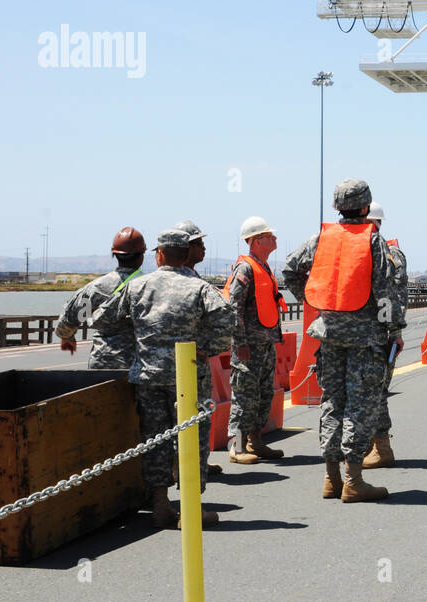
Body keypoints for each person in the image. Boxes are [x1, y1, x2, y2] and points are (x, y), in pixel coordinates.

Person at [92, 229, 234, 528]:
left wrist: (142, 338)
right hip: (189, 376)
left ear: (159, 254)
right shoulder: (200, 288)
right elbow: (226, 324)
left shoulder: (138, 285)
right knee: (192, 439)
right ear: (186, 254)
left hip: (148, 375)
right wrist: (201, 349)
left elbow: (102, 320)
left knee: (154, 439)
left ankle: (160, 504)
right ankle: (190, 511)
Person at [300, 179, 404, 502]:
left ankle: (331, 480)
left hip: (329, 334)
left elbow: (292, 269)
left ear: (337, 208)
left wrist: (318, 302)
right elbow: (386, 290)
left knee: (332, 402)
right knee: (360, 406)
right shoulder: (373, 240)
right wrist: (395, 330)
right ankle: (354, 481)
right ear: (365, 207)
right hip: (365, 338)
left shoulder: (323, 237)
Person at [224, 217, 287, 465]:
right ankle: (237, 448)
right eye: (269, 235)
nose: (274, 239)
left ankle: (255, 441)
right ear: (257, 240)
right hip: (248, 346)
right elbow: (234, 307)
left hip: (264, 344)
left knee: (262, 395)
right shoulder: (246, 269)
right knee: (244, 396)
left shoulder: (263, 266)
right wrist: (240, 342)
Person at [55, 227, 147, 369]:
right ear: (142, 256)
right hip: (140, 365)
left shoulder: (96, 287)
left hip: (103, 363)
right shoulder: (149, 287)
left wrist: (67, 337)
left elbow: (70, 317)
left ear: (114, 255)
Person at [172, 219, 220, 477]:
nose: (203, 249)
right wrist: (210, 349)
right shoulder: (186, 281)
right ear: (185, 247)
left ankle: (198, 464)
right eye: (198, 244)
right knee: (194, 417)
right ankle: (191, 472)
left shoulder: (194, 278)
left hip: (185, 362)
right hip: (187, 364)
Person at [363, 201, 407, 469]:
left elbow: (394, 296)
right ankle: (369, 446)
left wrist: (394, 331)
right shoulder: (367, 249)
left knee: (377, 390)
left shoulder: (389, 253)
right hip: (366, 334)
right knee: (366, 391)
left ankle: (382, 448)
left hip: (381, 335)